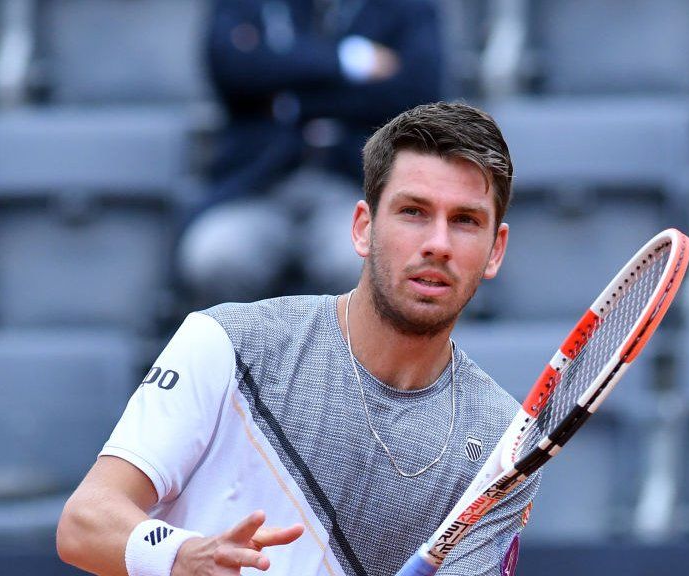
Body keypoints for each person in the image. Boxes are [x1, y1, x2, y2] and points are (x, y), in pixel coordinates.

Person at [57, 102, 539, 576]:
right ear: (363, 229)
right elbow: (84, 523)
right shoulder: (226, 344)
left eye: (465, 220)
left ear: (495, 250)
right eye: (413, 212)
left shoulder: (503, 444)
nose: (438, 243)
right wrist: (182, 557)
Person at [179, 0, 443, 305]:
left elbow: (416, 92)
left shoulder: (407, 7)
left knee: (363, 263)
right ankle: (242, 353)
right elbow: (232, 66)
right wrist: (348, 61)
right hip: (257, 185)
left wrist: (290, 100)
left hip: (356, 188)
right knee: (218, 256)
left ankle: (350, 355)